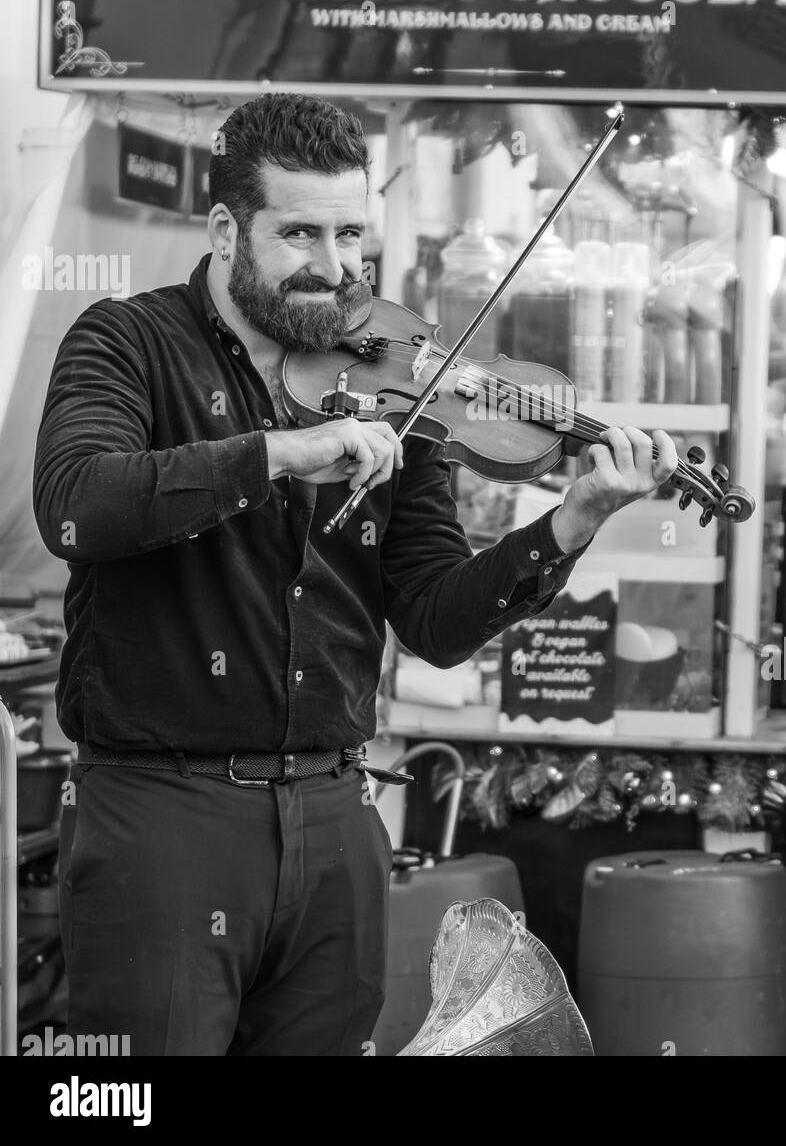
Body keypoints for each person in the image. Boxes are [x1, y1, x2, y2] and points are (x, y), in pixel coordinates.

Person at [32, 93, 679, 1057]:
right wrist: (283, 454)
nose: (333, 268)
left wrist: (571, 523)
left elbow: (435, 619)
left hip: (338, 816)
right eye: (298, 233)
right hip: (164, 818)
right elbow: (78, 503)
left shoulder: (400, 380)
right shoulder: (125, 342)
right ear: (224, 230)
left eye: (349, 234)